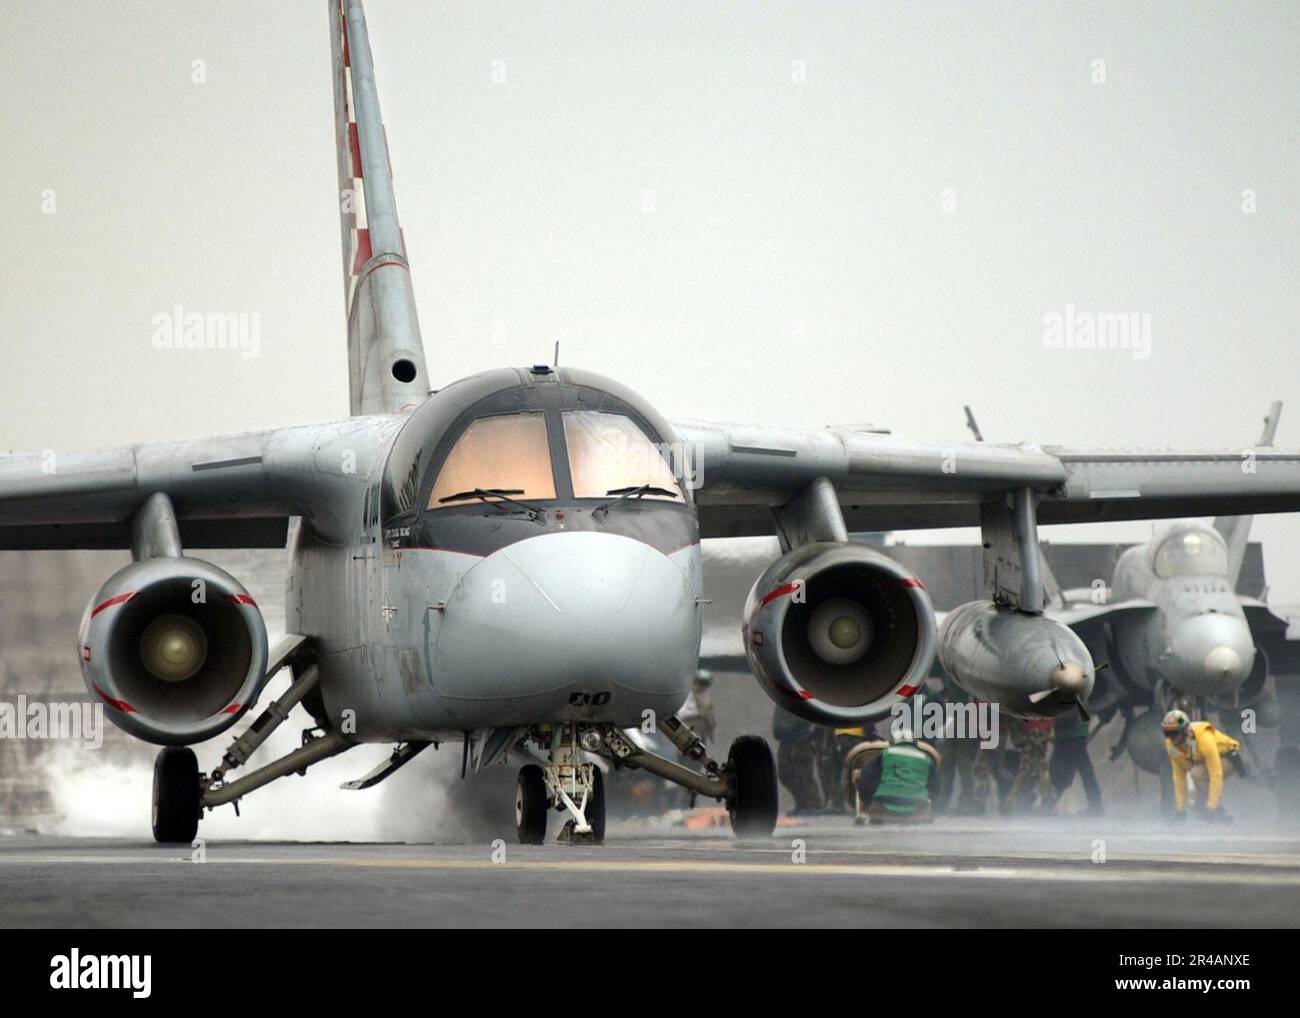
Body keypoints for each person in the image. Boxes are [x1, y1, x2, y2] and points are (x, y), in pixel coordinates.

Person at [1162, 709, 1244, 823]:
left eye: (1174, 733)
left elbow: (1216, 774)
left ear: (1185, 731)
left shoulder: (1204, 739)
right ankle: (1216, 811)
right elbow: (1178, 776)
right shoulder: (1170, 745)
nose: (1172, 738)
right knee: (1196, 778)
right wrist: (1180, 809)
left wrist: (1211, 807)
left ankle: (1217, 810)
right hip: (1201, 760)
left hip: (1228, 756)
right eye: (1168, 733)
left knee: (1197, 773)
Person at [857, 724, 940, 824]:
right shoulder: (926, 759)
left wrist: (867, 801)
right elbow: (935, 788)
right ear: (914, 742)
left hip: (883, 808)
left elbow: (866, 779)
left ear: (893, 741)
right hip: (918, 809)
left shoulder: (885, 754)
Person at [1050, 705, 1103, 816]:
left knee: (1066, 770)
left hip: (1072, 734)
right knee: (1068, 770)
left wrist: (1052, 719)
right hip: (1070, 734)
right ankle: (1096, 804)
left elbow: (1071, 712)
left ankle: (1096, 805)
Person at [772, 705, 823, 815]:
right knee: (785, 773)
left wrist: (796, 727)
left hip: (800, 739)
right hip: (786, 740)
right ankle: (802, 803)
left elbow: (806, 716)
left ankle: (813, 804)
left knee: (803, 772)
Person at [1006, 717, 1057, 815]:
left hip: (1034, 732)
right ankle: (1015, 802)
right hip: (1035, 732)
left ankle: (1014, 802)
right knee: (1035, 769)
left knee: (1031, 770)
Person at [678, 669, 716, 744]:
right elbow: (680, 714)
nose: (702, 688)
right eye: (700, 684)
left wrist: (710, 730)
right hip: (687, 736)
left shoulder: (704, 697)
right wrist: (698, 712)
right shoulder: (688, 695)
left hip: (700, 735)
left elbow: (710, 716)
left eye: (705, 685)